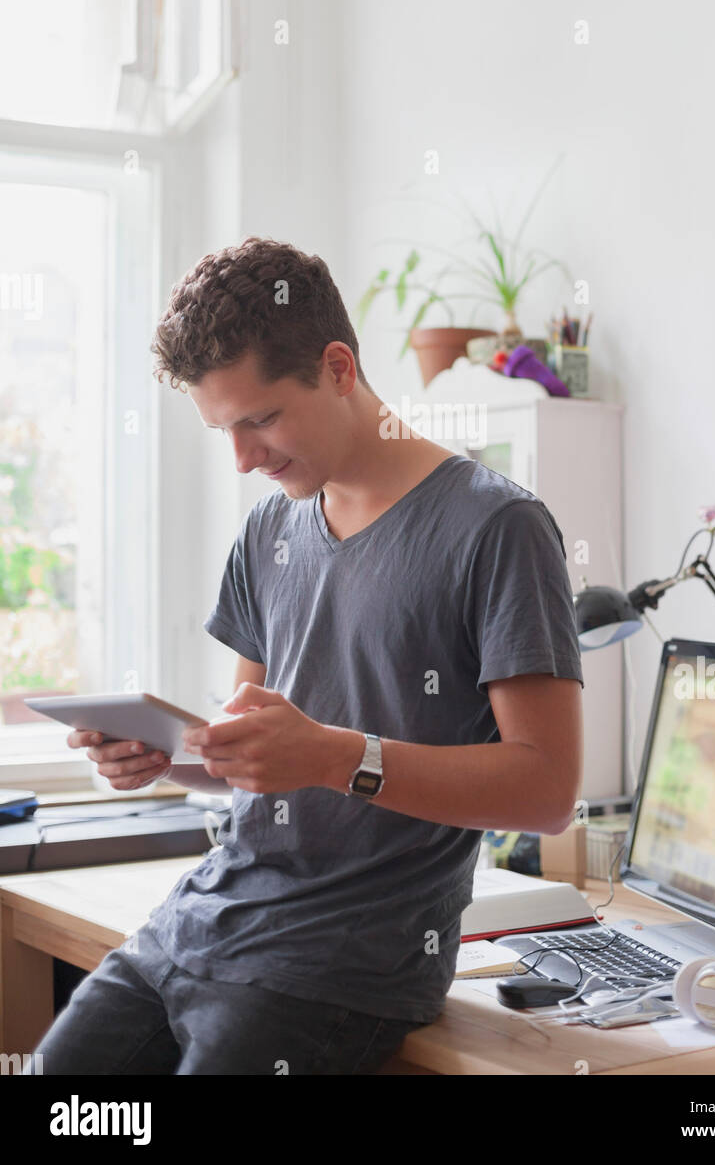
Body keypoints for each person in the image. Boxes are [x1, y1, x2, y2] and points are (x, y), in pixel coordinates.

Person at [31, 236, 584, 1075]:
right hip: (200, 925)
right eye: (225, 429)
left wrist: (333, 756)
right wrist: (172, 755)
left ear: (336, 367)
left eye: (260, 419)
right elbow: (253, 758)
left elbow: (546, 790)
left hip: (338, 968)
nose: (245, 458)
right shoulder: (270, 530)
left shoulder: (495, 527)